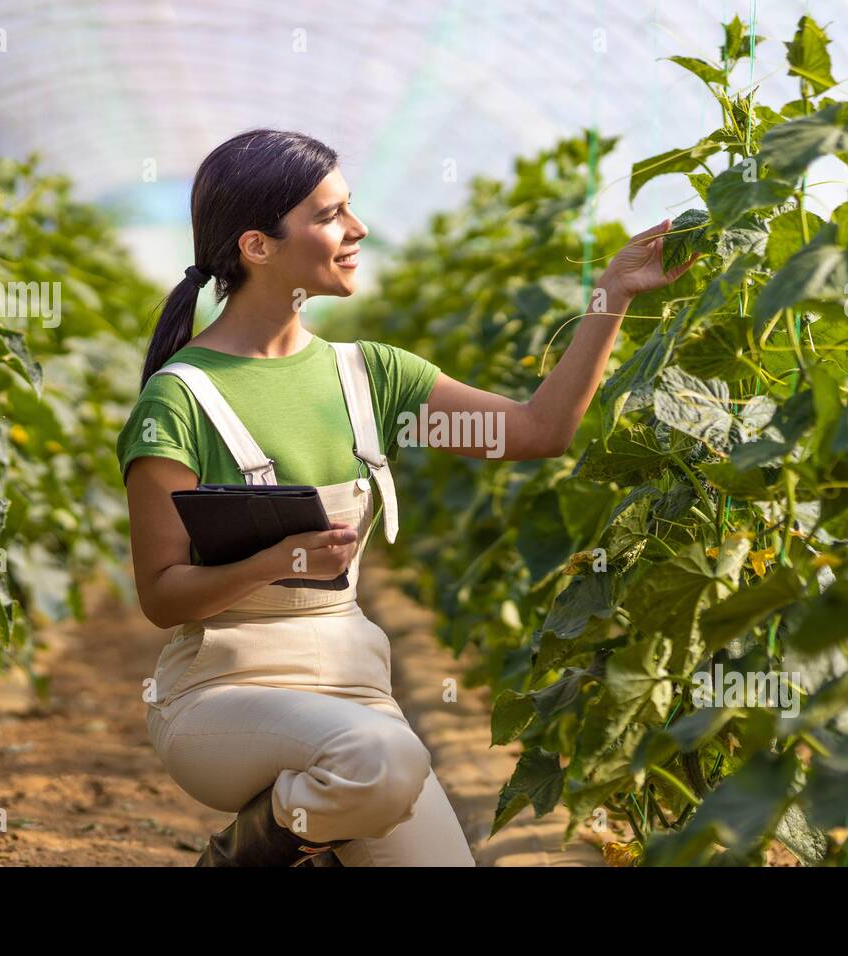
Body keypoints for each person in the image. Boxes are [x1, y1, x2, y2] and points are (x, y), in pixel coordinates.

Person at [116, 128, 698, 867]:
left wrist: (610, 294)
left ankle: (306, 842)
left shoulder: (373, 376)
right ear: (258, 247)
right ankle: (243, 858)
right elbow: (163, 597)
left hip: (355, 699)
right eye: (330, 216)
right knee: (384, 761)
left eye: (351, 208)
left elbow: (538, 430)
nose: (357, 230)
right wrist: (278, 559)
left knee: (383, 764)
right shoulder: (180, 399)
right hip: (219, 701)